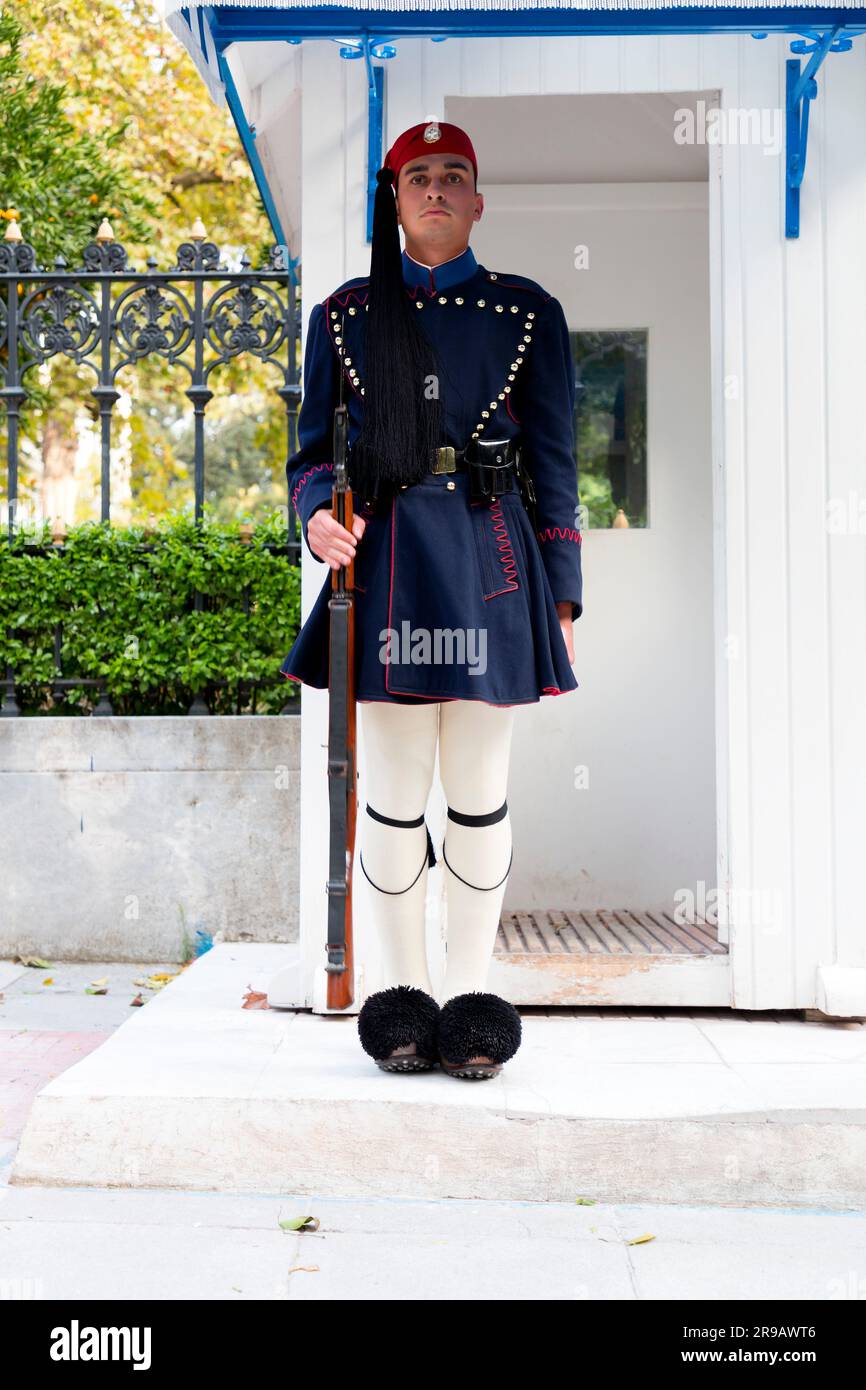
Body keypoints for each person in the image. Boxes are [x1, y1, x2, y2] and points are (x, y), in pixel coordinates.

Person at [280, 120, 583, 1080]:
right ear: (397, 200)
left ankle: (474, 1001)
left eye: (455, 177)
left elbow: (555, 461)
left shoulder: (527, 311)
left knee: (479, 795)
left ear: (479, 201)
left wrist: (563, 588)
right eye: (420, 178)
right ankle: (403, 1003)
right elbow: (311, 456)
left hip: (494, 560)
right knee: (398, 794)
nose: (438, 190)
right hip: (390, 558)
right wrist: (314, 519)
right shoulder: (342, 314)